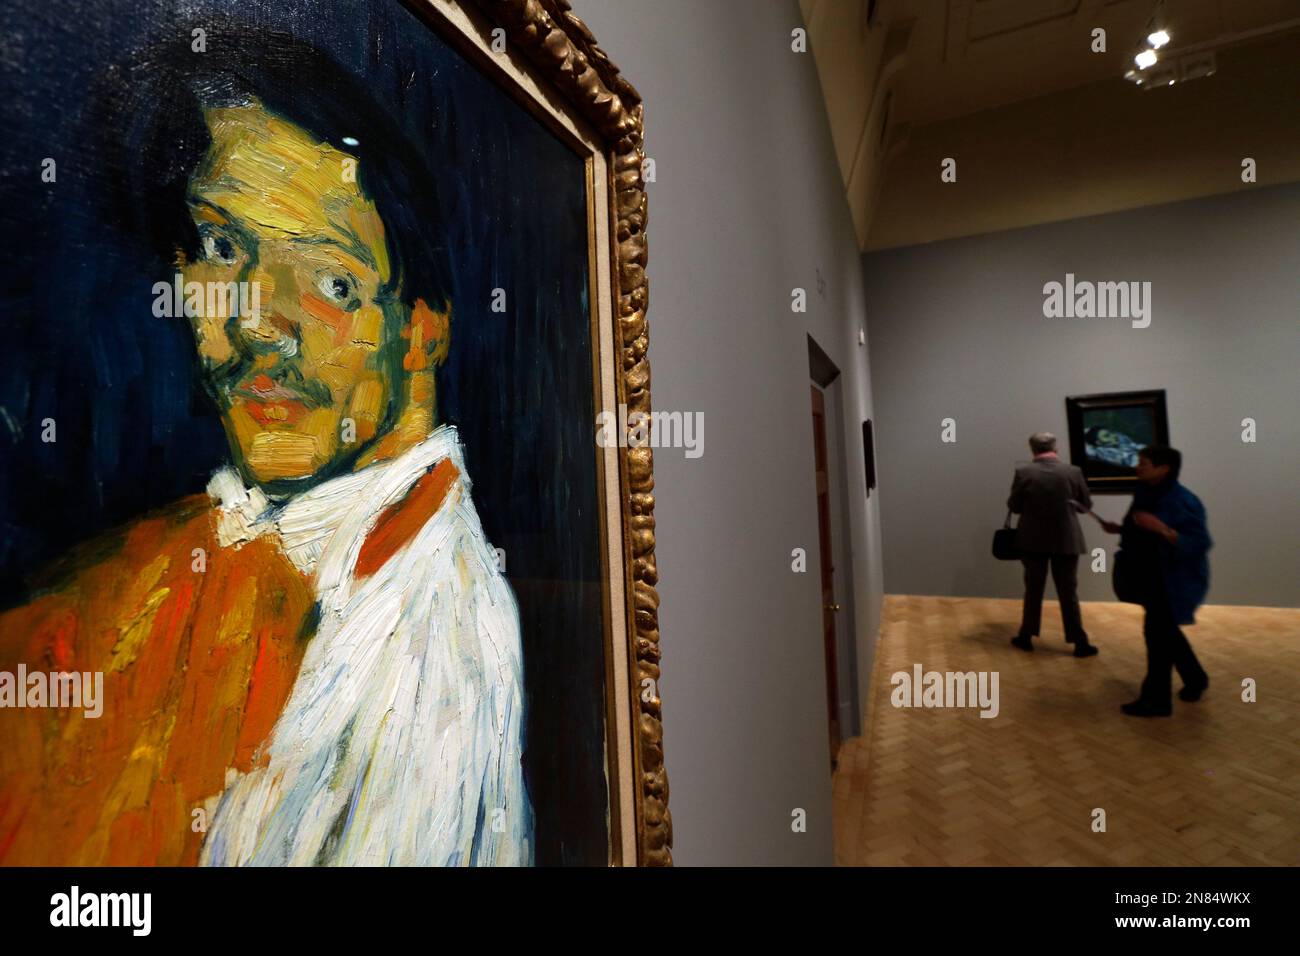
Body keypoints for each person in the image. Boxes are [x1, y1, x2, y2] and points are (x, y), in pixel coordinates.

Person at [0, 28, 532, 865]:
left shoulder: (426, 664)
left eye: (330, 282)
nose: (252, 322)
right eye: (221, 248)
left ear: (421, 331)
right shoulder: (197, 555)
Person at [1097, 446, 1211, 717]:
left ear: (1164, 468)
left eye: (1144, 463)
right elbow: (1140, 528)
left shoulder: (1182, 501)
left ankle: (1157, 701)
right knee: (1165, 631)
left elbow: (1198, 543)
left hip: (1172, 579)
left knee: (1158, 637)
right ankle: (1196, 679)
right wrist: (1120, 528)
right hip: (1149, 575)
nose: (1138, 467)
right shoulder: (1146, 492)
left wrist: (1161, 528)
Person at [1007, 432, 1098, 656]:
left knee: (1033, 589)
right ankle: (1079, 642)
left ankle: (1026, 636)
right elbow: (1085, 505)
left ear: (1032, 449)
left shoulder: (1023, 472)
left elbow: (1015, 506)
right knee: (1068, 591)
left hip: (1032, 540)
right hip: (1066, 539)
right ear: (1055, 448)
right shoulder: (1073, 471)